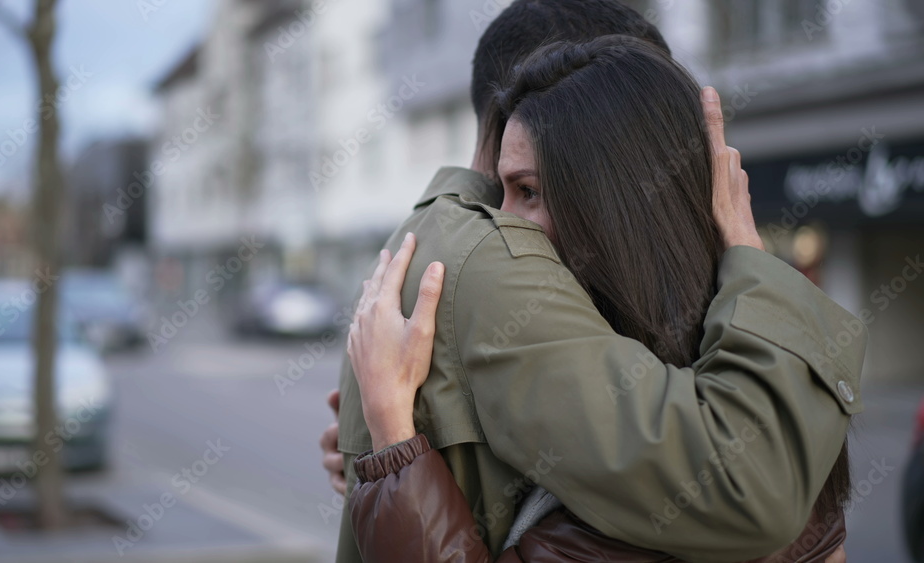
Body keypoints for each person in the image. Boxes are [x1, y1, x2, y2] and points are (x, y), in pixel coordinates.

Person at [323, 2, 866, 562]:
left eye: (530, 191)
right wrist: (389, 453)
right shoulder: (487, 258)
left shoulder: (452, 245)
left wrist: (391, 447)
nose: (510, 217)